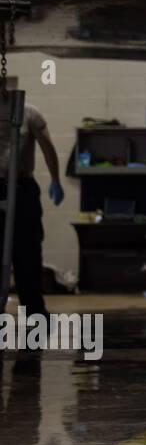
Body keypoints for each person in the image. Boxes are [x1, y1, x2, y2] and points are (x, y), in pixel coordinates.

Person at [0, 95, 64, 319]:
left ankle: (35, 313)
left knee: (27, 254)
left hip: (22, 189)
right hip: (10, 186)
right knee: (25, 254)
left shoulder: (28, 112)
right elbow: (48, 147)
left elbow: (48, 147)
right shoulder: (26, 112)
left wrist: (55, 178)